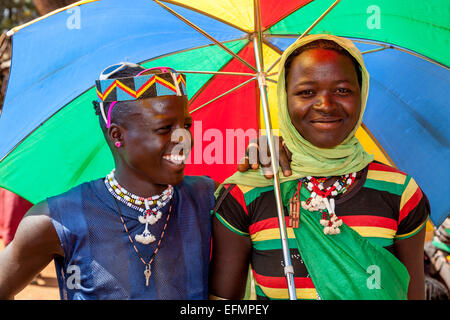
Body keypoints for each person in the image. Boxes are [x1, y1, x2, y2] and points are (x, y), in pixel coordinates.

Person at [210, 34, 430, 300]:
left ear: (362, 96)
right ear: (284, 99)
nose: (325, 105)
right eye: (306, 92)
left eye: (342, 90)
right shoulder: (247, 193)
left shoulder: (400, 192)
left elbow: (411, 294)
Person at [0, 64, 215, 299]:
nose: (183, 139)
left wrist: (260, 156)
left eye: (186, 126)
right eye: (165, 128)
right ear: (117, 135)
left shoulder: (209, 199)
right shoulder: (57, 219)